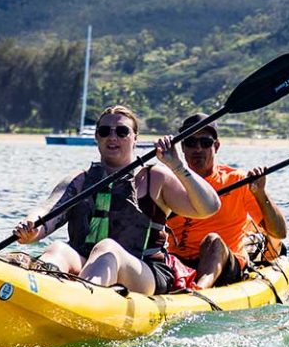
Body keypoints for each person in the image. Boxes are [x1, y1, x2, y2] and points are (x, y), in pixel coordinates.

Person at [11, 105, 220, 295]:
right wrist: (29, 228)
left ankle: (80, 300)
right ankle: (41, 295)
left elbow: (209, 207)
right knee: (58, 249)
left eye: (122, 131)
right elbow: (46, 213)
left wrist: (177, 166)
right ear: (97, 137)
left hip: (143, 271)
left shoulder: (155, 178)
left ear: (134, 137)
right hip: (86, 263)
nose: (113, 137)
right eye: (105, 131)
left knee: (107, 249)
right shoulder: (79, 180)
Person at [166, 113, 288, 288]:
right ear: (182, 148)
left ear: (216, 146)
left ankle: (198, 289)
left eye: (205, 143)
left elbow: (279, 232)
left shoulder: (237, 180)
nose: (198, 149)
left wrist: (261, 194)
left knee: (212, 240)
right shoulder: (167, 181)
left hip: (226, 265)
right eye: (190, 142)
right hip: (178, 262)